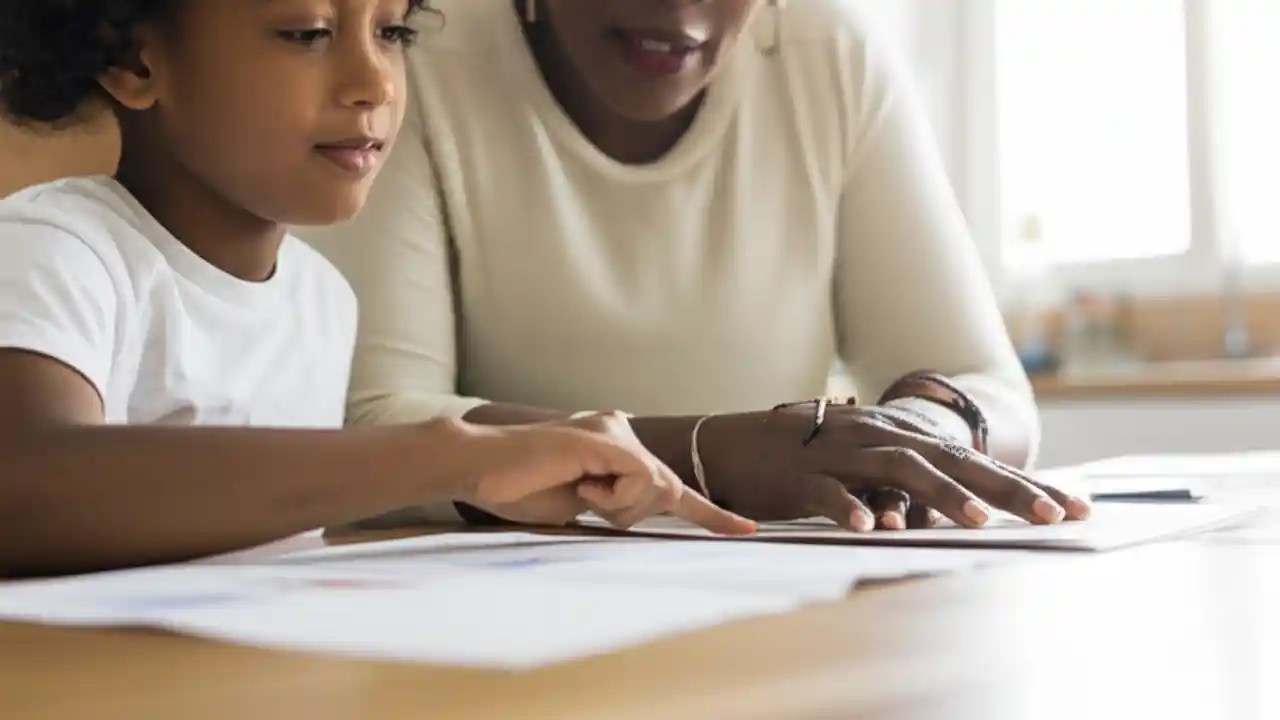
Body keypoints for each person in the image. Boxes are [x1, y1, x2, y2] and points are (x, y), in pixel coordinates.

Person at [0, 0, 754, 577]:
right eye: (307, 33)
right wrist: (449, 456)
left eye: (392, 32)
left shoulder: (321, 300)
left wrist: (486, 480)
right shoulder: (58, 250)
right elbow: (23, 485)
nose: (373, 84)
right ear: (136, 59)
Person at [304, 0, 1093, 532]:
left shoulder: (829, 56)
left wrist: (920, 431)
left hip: (763, 612)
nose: (680, 10)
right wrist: (707, 454)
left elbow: (986, 385)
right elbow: (369, 424)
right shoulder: (412, 52)